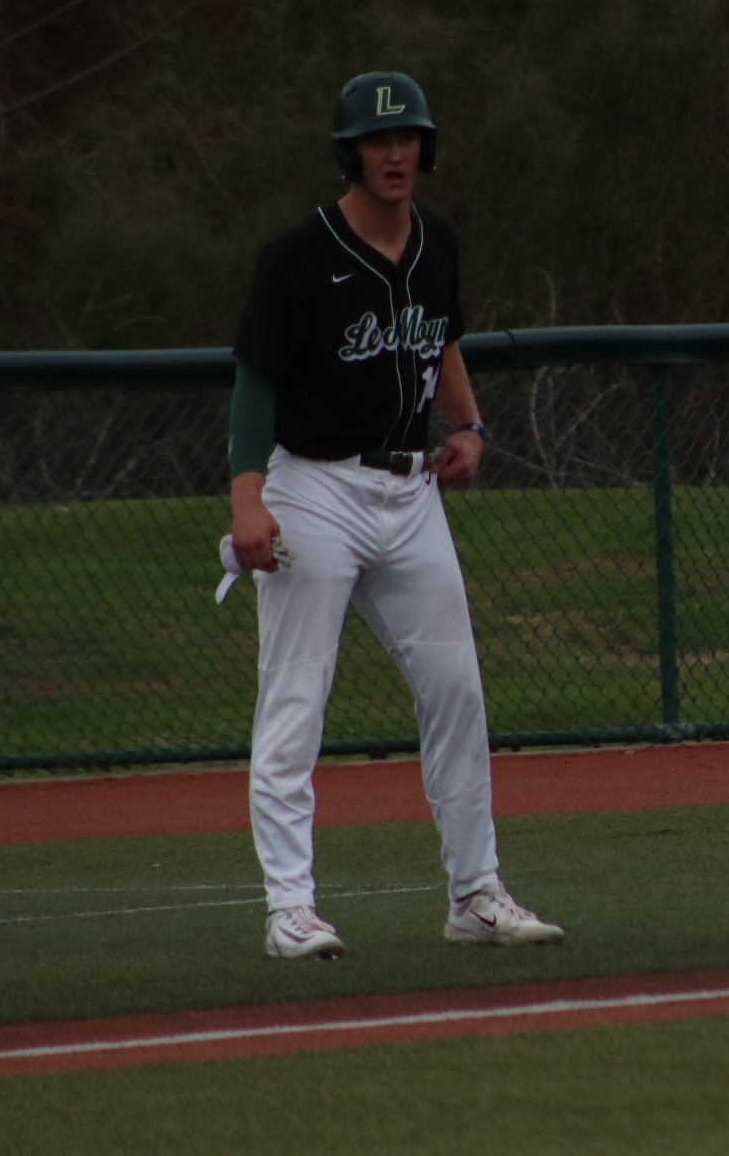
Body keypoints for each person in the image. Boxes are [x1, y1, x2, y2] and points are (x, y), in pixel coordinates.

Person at [226, 71, 562, 958]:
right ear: (350, 152)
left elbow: (439, 339)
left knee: (457, 691)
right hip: (314, 489)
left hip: (410, 492)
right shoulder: (298, 255)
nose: (395, 152)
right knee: (296, 697)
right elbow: (256, 380)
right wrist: (248, 496)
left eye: (408, 137)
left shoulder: (436, 241)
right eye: (378, 140)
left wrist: (470, 424)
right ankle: (289, 907)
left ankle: (475, 893)